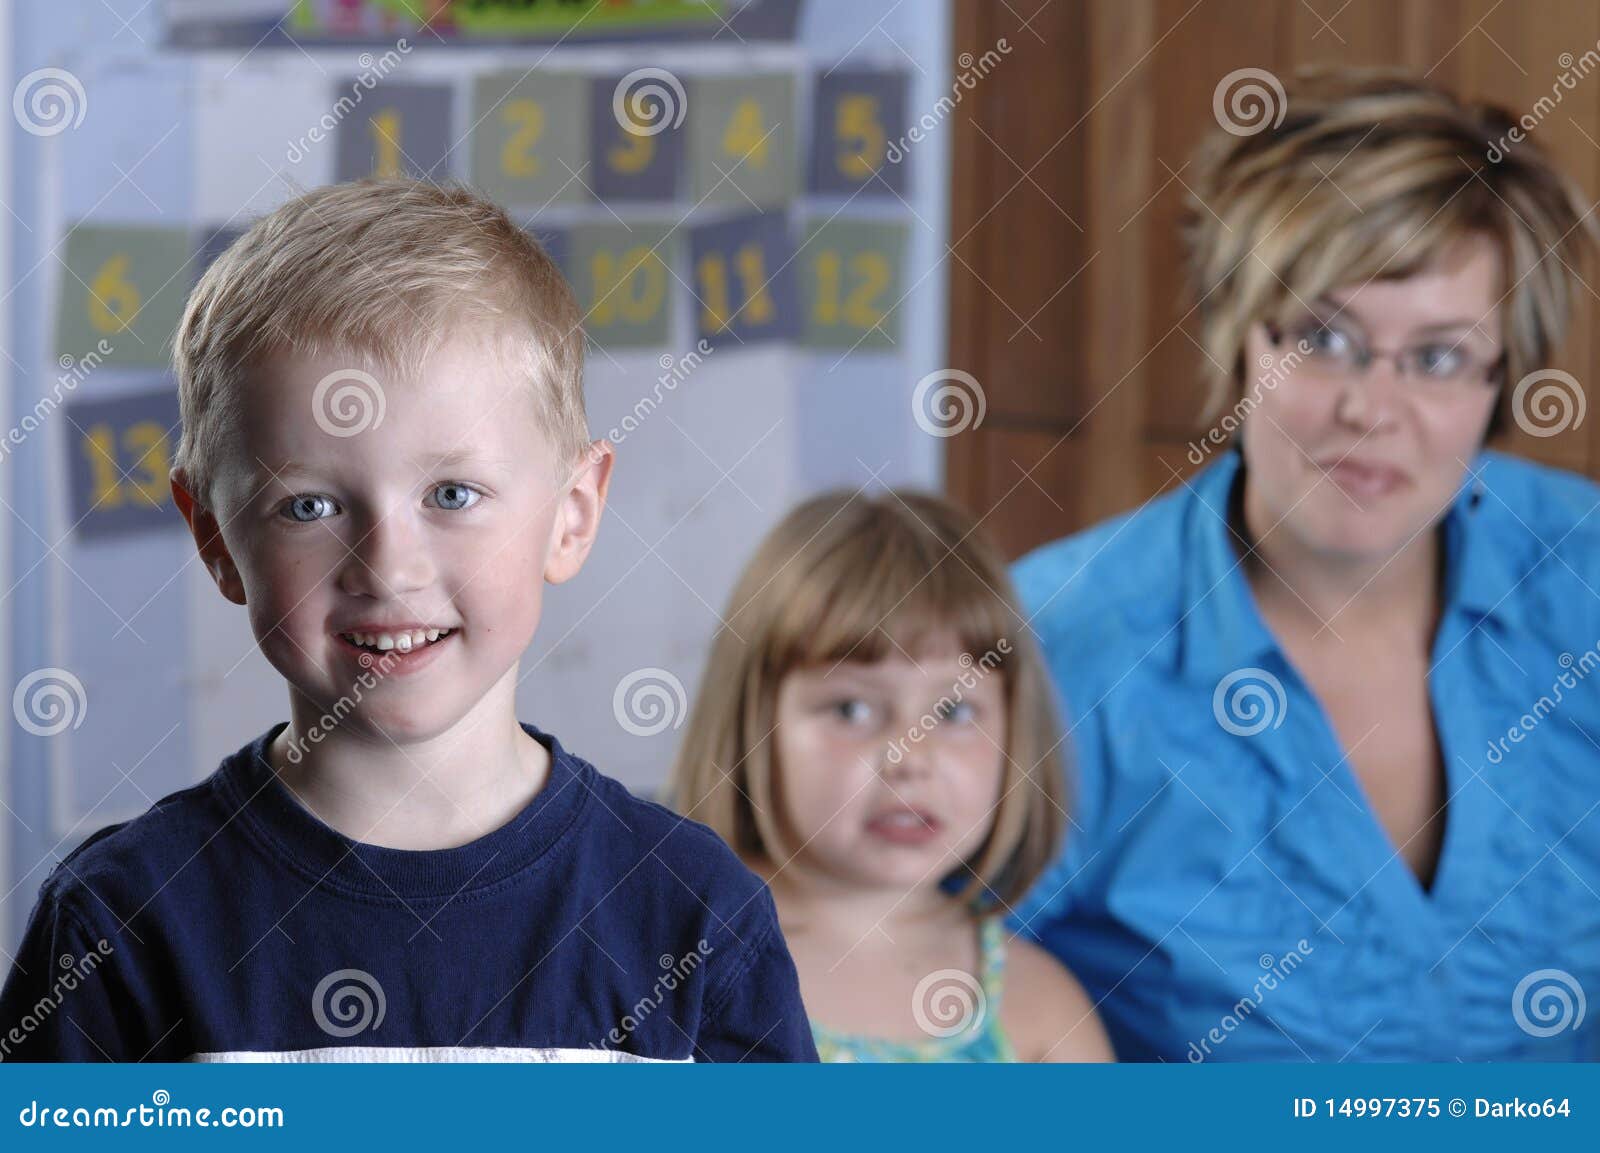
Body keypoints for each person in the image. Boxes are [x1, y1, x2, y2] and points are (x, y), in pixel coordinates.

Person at [0, 179, 815, 1063]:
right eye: (309, 506)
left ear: (571, 512)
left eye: (453, 494)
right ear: (215, 537)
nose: (387, 567)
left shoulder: (694, 914)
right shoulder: (123, 920)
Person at [1013, 69, 1600, 1061]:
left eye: (1439, 357)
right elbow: (893, 998)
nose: (1371, 409)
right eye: (1323, 338)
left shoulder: (1580, 580)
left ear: (1504, 381)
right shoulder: (1053, 648)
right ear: (1238, 336)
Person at [670, 490, 1112, 1062]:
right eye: (852, 709)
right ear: (754, 723)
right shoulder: (671, 966)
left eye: (954, 712)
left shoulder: (1040, 1011)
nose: (911, 755)